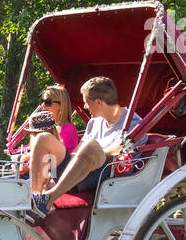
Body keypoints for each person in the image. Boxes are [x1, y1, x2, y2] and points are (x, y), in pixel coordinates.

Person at [25, 76, 144, 223]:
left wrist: (90, 152)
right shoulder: (94, 123)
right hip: (78, 172)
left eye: (87, 103)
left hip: (104, 176)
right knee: (43, 138)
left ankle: (49, 198)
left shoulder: (134, 123)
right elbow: (76, 151)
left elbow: (118, 149)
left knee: (91, 146)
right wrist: (53, 171)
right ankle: (36, 198)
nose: (85, 107)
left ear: (99, 102)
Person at [22, 85, 79, 194]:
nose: (43, 105)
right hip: (44, 174)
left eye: (48, 102)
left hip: (56, 178)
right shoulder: (54, 128)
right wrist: (26, 162)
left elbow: (62, 160)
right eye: (42, 101)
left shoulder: (67, 129)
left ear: (61, 106)